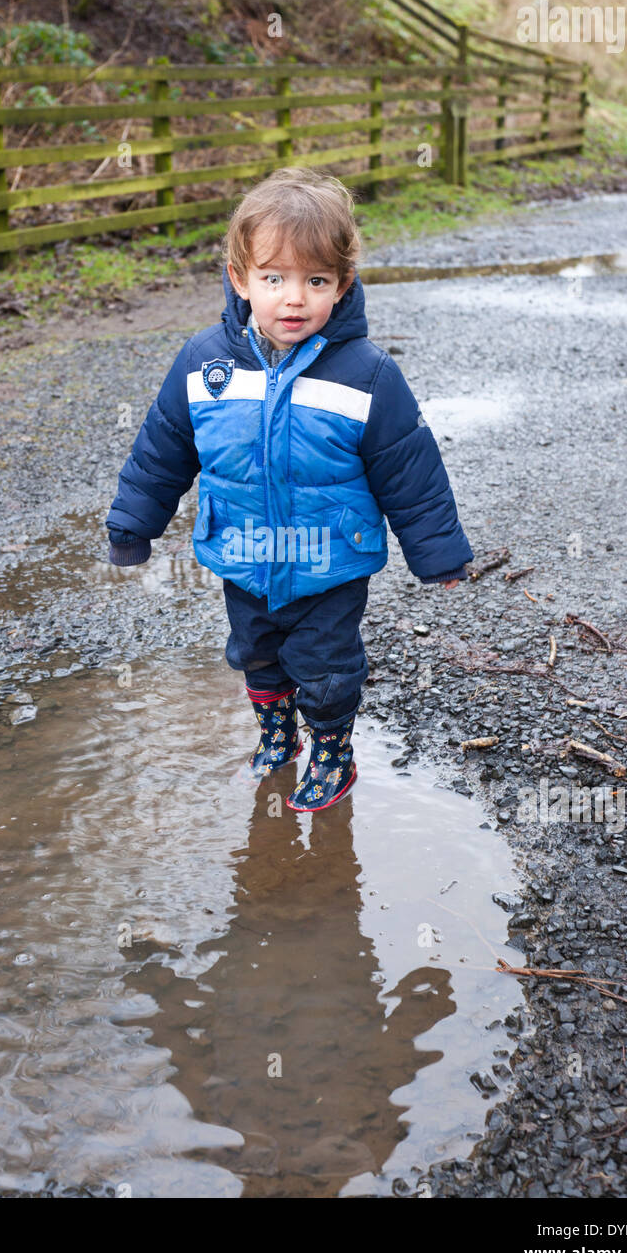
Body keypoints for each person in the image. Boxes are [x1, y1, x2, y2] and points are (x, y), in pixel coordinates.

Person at [106, 167, 473, 811]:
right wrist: (133, 525)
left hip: (330, 561)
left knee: (326, 666)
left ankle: (332, 748)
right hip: (243, 551)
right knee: (255, 653)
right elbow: (163, 446)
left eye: (316, 280)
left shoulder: (366, 375)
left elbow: (409, 468)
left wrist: (438, 552)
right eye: (274, 278)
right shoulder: (204, 364)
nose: (294, 298)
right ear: (239, 277)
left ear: (343, 284)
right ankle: (278, 733)